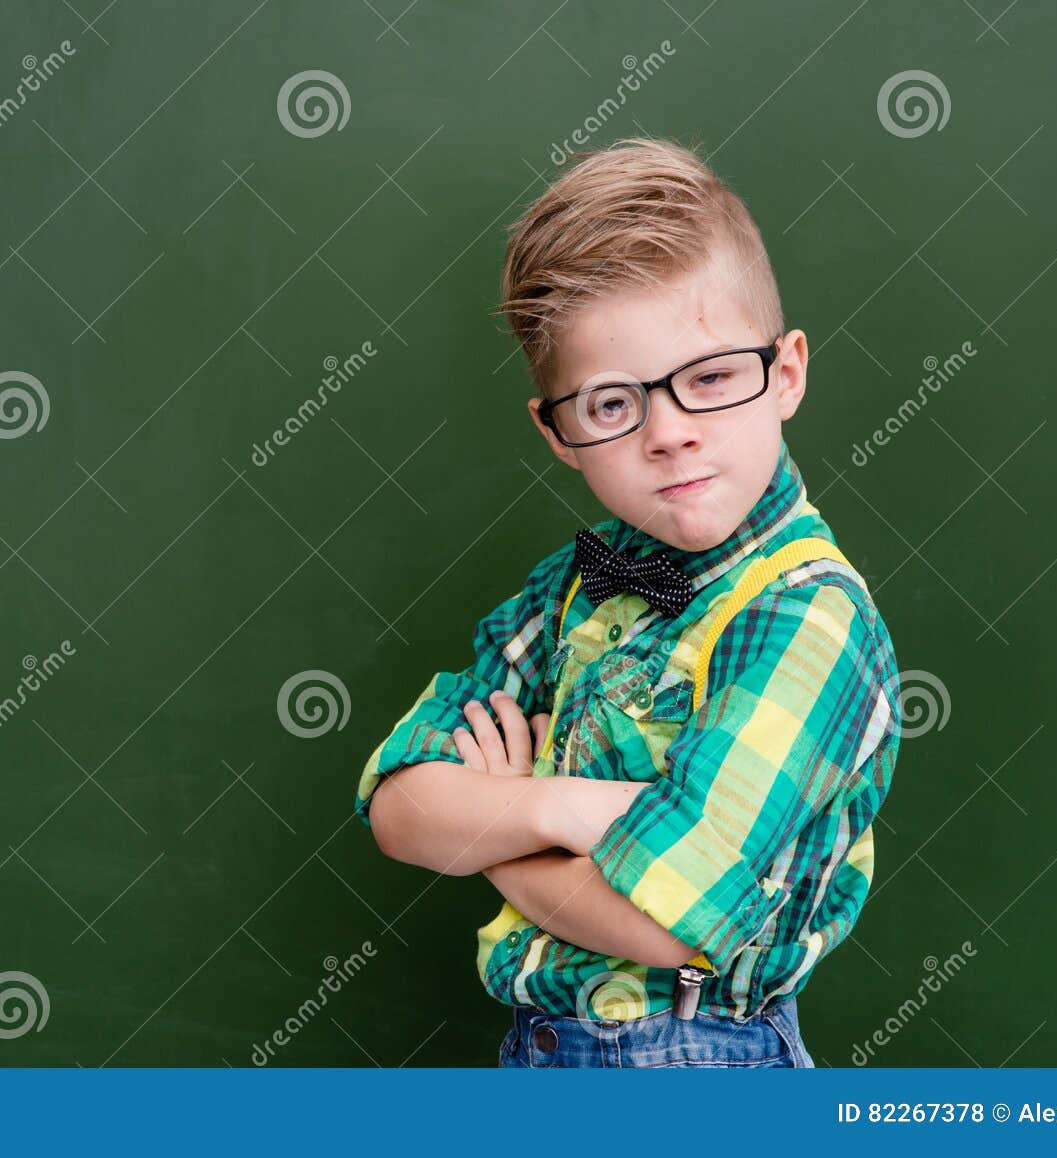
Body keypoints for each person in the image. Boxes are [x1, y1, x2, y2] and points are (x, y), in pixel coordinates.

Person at [353, 136, 900, 1068]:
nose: (670, 435)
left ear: (788, 372)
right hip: (540, 1050)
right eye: (613, 404)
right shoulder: (575, 586)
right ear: (558, 432)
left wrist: (494, 821)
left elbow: (662, 925)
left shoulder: (808, 621)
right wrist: (558, 809)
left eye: (712, 378)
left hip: (694, 1062)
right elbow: (399, 806)